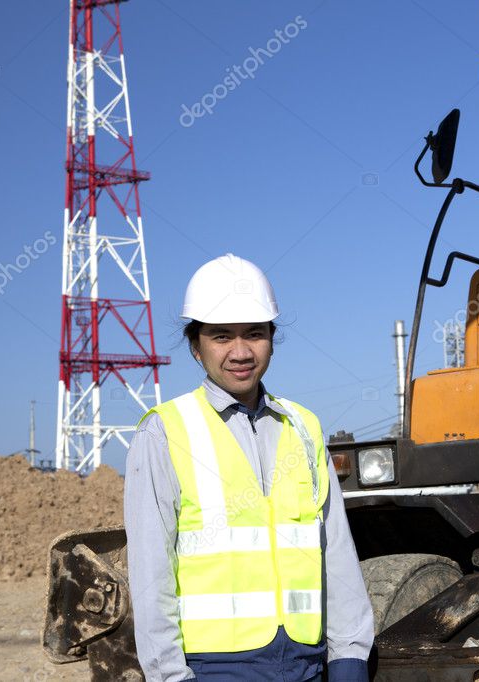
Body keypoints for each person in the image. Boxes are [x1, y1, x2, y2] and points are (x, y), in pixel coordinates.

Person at [124, 253, 373, 681]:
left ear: (272, 338)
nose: (240, 352)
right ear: (196, 346)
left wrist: (349, 657)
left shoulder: (304, 427)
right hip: (215, 670)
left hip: (306, 664)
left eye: (254, 333)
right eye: (221, 336)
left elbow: (335, 554)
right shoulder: (164, 432)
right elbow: (151, 573)